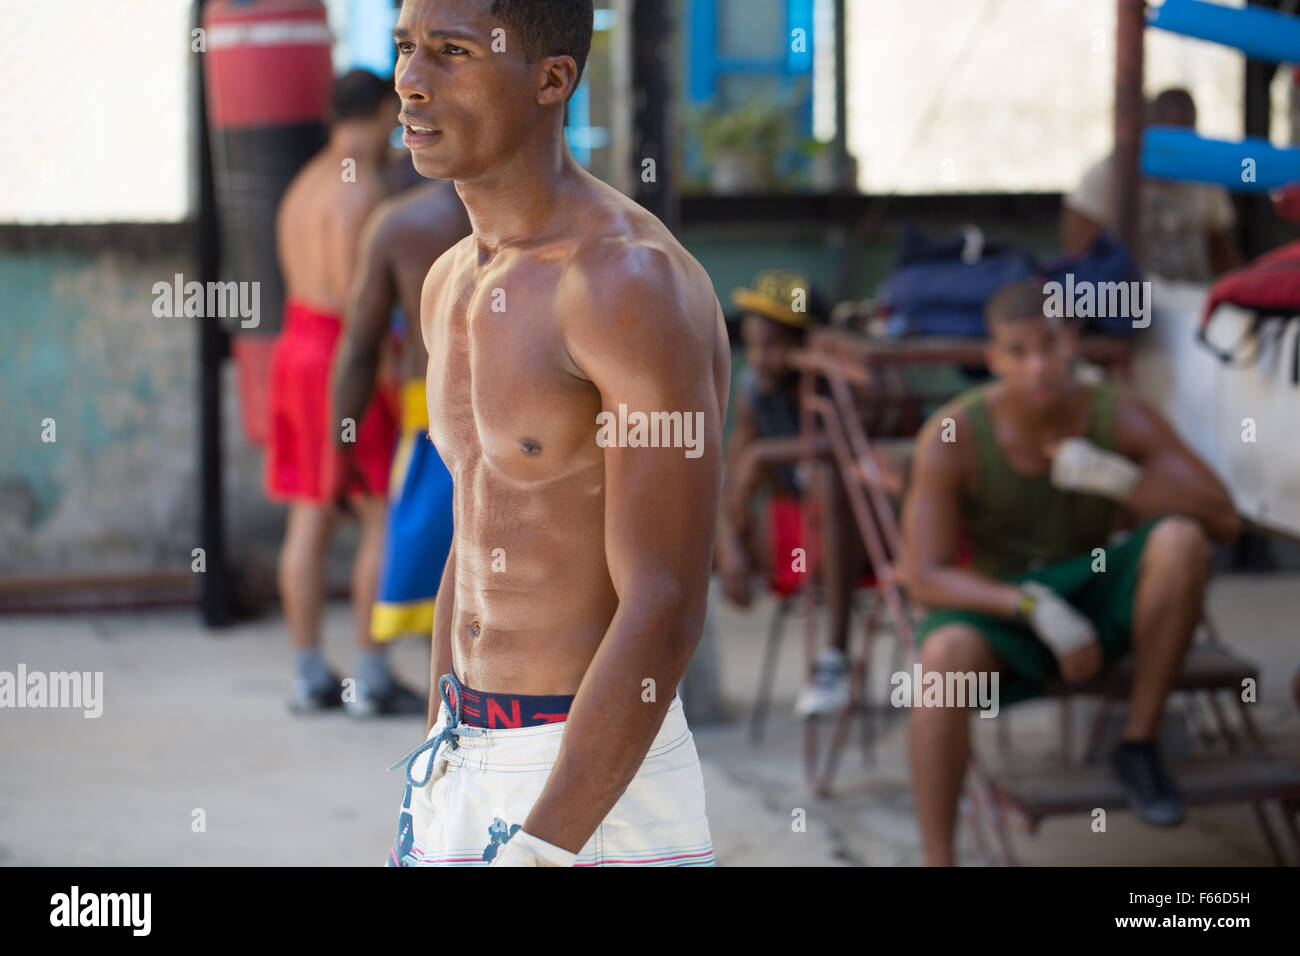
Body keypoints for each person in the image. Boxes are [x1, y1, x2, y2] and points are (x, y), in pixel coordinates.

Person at [385, 0, 729, 868]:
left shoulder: (622, 282)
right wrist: (439, 746)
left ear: (551, 79)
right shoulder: (450, 280)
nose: (409, 83)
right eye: (405, 50)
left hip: (595, 784)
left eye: (450, 53)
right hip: (465, 749)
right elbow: (473, 536)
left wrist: (546, 846)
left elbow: (666, 604)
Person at [902, 277, 1241, 866]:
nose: (1038, 366)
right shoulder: (953, 435)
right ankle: (940, 860)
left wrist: (1120, 480)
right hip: (1004, 604)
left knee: (1181, 541)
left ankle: (1138, 743)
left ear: (1074, 343)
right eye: (1018, 351)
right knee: (940, 665)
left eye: (1051, 346)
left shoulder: (1118, 415)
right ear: (992, 359)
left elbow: (1224, 520)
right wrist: (1030, 606)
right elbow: (923, 575)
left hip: (1094, 585)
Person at [266, 70, 401, 714]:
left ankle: (307, 673)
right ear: (379, 111)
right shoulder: (361, 189)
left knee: (308, 514)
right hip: (341, 359)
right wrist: (387, 376)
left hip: (294, 350)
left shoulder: (303, 185)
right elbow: (360, 308)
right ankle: (370, 680)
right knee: (381, 510)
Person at [331, 178, 472, 715]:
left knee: (430, 563)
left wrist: (339, 449)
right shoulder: (550, 208)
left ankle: (388, 679)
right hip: (516, 425)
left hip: (433, 420)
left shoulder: (398, 223)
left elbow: (360, 349)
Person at [715, 270, 875, 717]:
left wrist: (766, 454)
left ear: (807, 344)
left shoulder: (840, 384)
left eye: (774, 345)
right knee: (673, 517)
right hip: (801, 538)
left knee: (830, 480)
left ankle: (835, 660)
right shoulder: (755, 393)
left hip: (864, 538)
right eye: (754, 344)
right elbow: (728, 477)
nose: (761, 358)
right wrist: (728, 546)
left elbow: (853, 449)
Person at [1063, 88, 1242, 282]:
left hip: (1189, 297)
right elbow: (1078, 258)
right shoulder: (1104, 176)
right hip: (1124, 300)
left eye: (1184, 132)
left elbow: (1221, 251)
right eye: (1167, 134)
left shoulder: (1203, 176)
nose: (1175, 145)